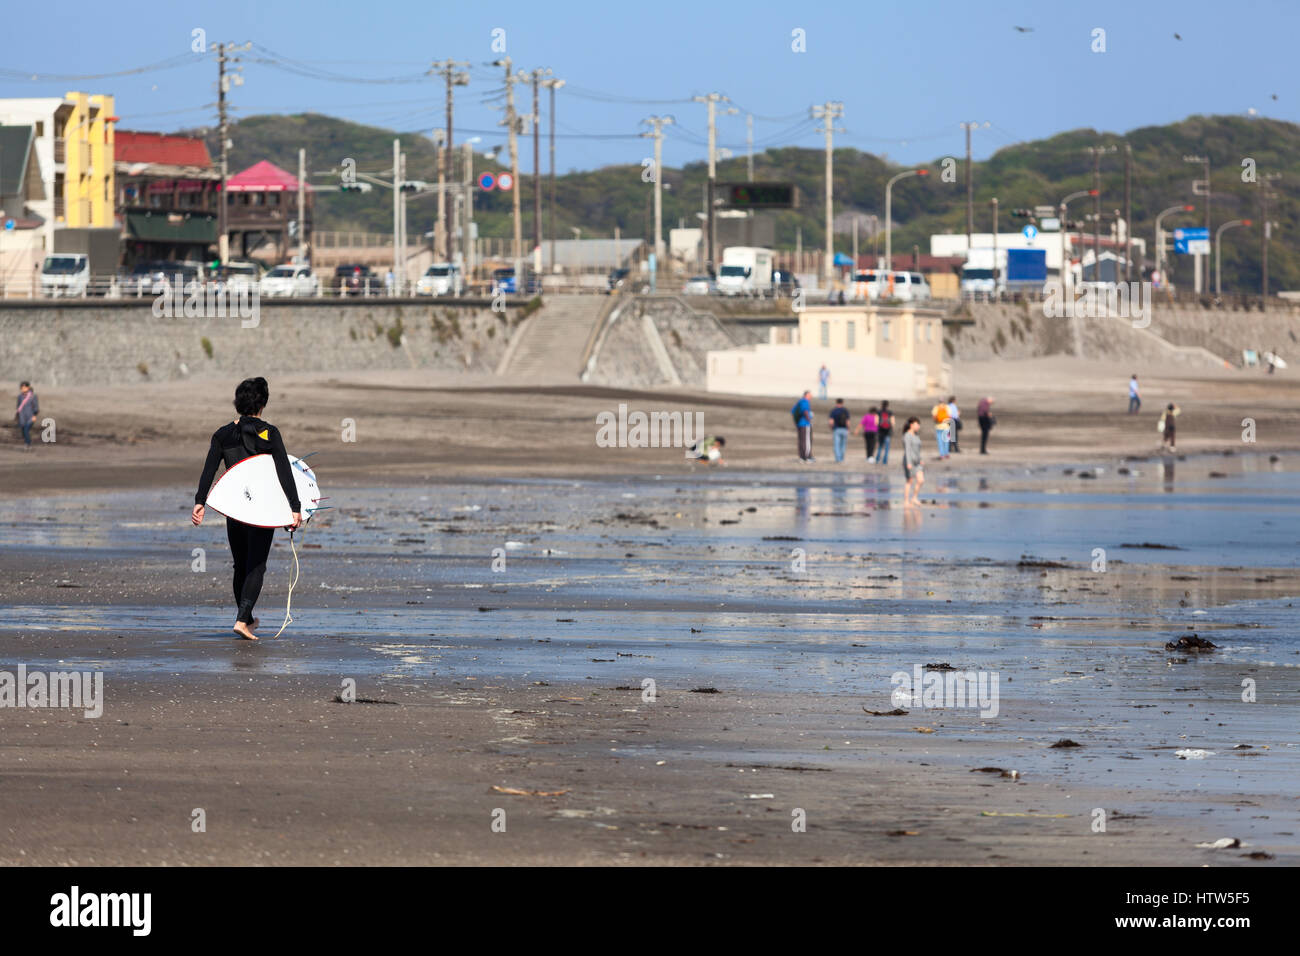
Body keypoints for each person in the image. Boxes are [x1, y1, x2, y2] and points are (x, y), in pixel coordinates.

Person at [192, 377, 302, 641]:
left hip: (236, 508)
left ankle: (247, 619)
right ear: (262, 404)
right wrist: (294, 508)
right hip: (262, 508)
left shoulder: (222, 434)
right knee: (257, 565)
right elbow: (284, 472)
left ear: (238, 403)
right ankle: (242, 620)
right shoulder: (269, 433)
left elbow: (210, 469)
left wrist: (200, 501)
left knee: (240, 565)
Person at [902, 417, 924, 507]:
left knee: (921, 480)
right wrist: (908, 462)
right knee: (909, 481)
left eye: (919, 424)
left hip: (917, 462)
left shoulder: (916, 435)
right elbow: (907, 450)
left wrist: (921, 459)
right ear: (911, 425)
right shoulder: (907, 435)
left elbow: (918, 450)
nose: (918, 426)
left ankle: (914, 498)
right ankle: (906, 501)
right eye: (916, 424)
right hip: (909, 461)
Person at [14, 381, 39, 451]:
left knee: (26, 430)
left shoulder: (33, 396)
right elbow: (18, 407)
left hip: (30, 417)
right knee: (23, 432)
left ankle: (28, 444)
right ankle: (27, 443)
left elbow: (36, 407)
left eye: (24, 387)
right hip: (22, 417)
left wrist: (34, 415)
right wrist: (17, 416)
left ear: (28, 387)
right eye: (22, 388)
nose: (23, 389)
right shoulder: (20, 396)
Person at [791, 390, 815, 462]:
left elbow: (793, 411)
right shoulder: (805, 402)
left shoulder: (799, 402)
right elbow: (805, 411)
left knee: (801, 440)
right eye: (810, 395)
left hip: (799, 424)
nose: (811, 397)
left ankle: (801, 456)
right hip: (805, 424)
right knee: (807, 441)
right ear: (806, 395)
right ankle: (807, 457)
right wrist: (809, 420)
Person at [829, 398, 851, 463]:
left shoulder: (834, 410)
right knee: (843, 444)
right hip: (844, 429)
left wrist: (832, 428)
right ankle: (841, 458)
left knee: (836, 445)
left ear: (836, 402)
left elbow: (831, 421)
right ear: (842, 403)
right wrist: (848, 429)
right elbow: (848, 421)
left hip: (837, 429)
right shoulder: (845, 410)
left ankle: (838, 459)